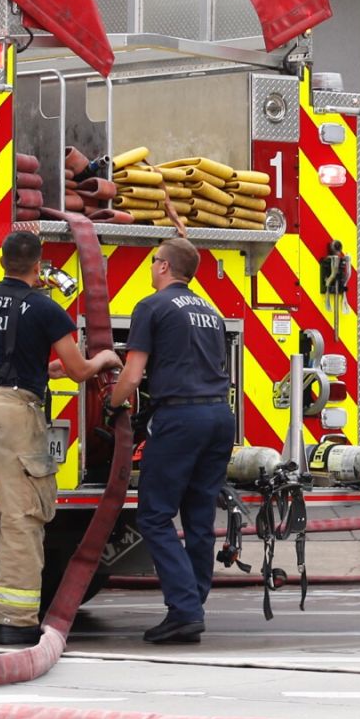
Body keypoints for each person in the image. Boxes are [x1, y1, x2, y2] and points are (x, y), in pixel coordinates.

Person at [0, 231, 119, 645]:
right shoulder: (45, 307)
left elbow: (15, 355)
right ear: (38, 265)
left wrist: (47, 368)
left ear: (2, 262)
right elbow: (78, 370)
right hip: (13, 419)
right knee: (21, 520)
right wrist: (104, 360)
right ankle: (15, 624)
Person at [103, 237, 234, 643]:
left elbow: (134, 372)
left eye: (153, 259)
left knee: (155, 516)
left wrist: (112, 405)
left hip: (180, 417)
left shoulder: (152, 306)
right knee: (198, 517)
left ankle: (184, 608)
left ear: (163, 267)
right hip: (219, 417)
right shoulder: (209, 311)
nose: (151, 266)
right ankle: (192, 604)